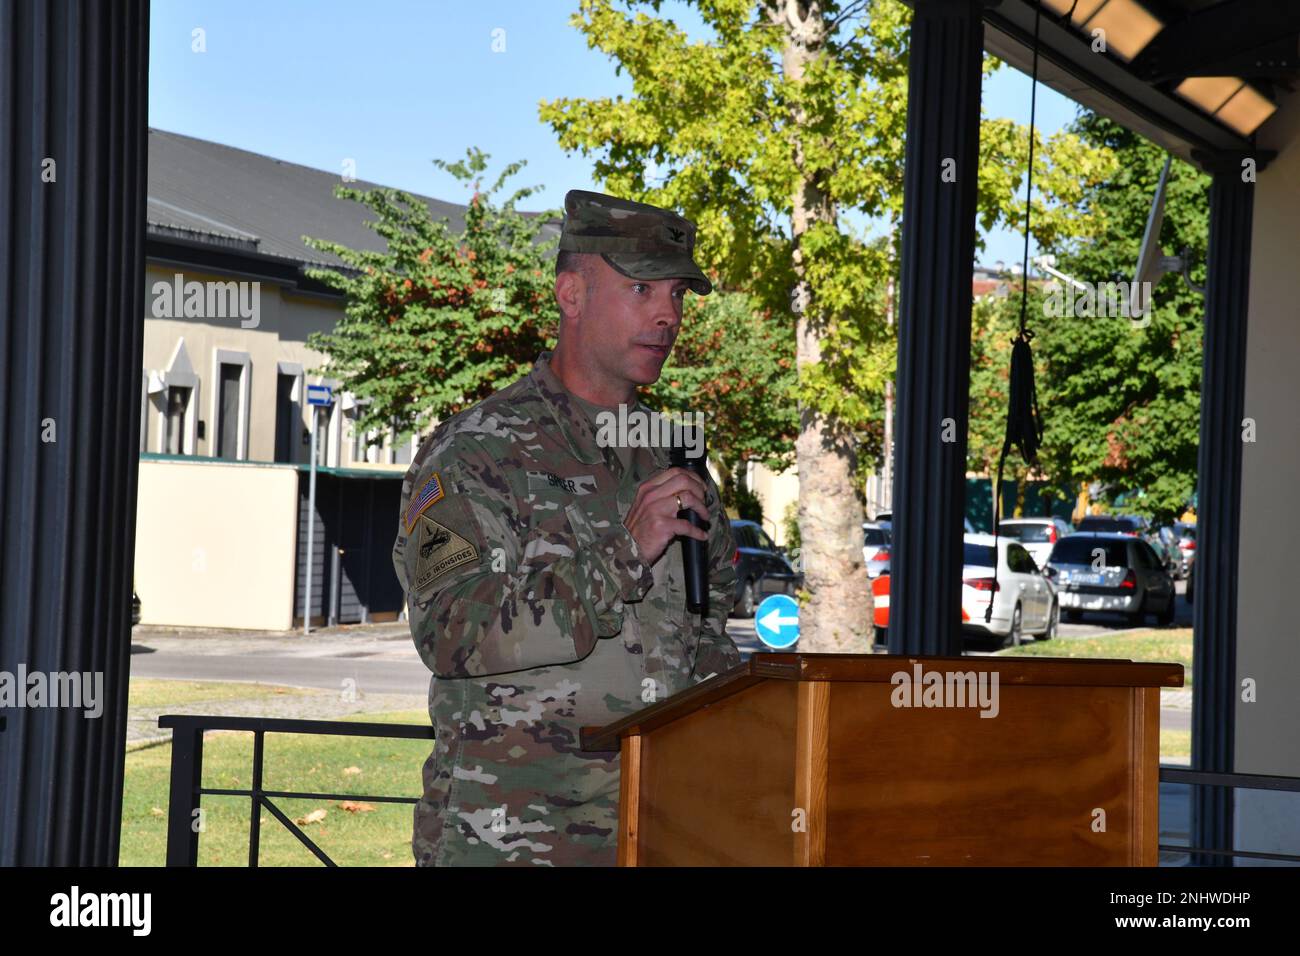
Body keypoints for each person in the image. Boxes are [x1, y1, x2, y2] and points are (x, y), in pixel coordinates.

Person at [392, 189, 741, 866]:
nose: (668, 315)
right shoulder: (478, 452)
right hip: (510, 843)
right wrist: (625, 554)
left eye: (678, 296)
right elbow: (453, 633)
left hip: (656, 836)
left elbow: (707, 632)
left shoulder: (675, 456)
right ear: (570, 295)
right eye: (643, 289)